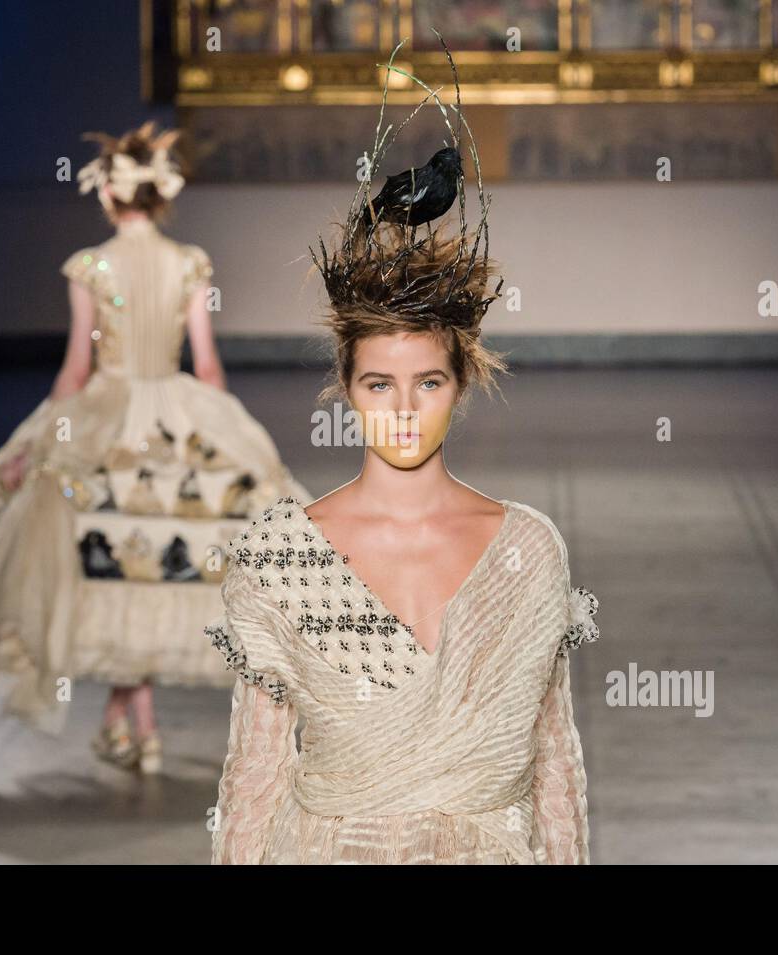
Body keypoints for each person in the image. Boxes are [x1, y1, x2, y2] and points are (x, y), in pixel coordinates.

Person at [205, 43, 601, 864]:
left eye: (427, 382)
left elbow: (555, 768)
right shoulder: (287, 558)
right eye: (379, 384)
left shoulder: (527, 551)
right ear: (345, 389)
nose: (403, 409)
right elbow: (253, 775)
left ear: (462, 384)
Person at [0, 121, 309, 764]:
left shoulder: (91, 267)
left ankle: (132, 721)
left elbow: (74, 371)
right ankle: (134, 720)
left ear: (109, 197)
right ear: (159, 197)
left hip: (105, 417)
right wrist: (230, 430)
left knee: (105, 551)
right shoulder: (190, 264)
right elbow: (206, 367)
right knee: (155, 550)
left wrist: (36, 439)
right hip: (179, 413)